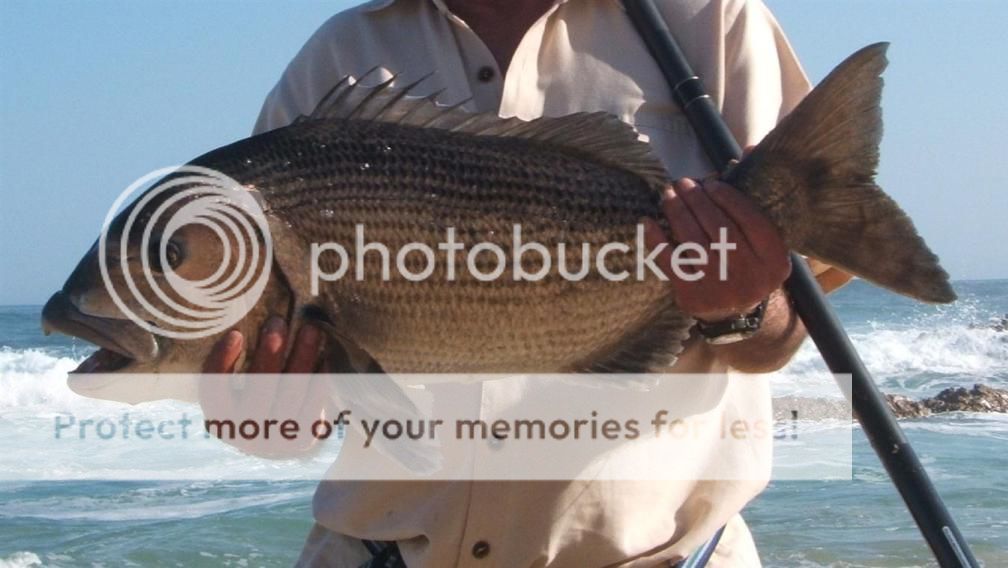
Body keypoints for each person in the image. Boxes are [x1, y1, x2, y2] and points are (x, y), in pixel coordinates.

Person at [200, 0, 852, 565]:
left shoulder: (712, 22)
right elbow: (303, 411)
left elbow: (783, 332)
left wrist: (740, 307)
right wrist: (264, 417)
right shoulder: (341, 51)